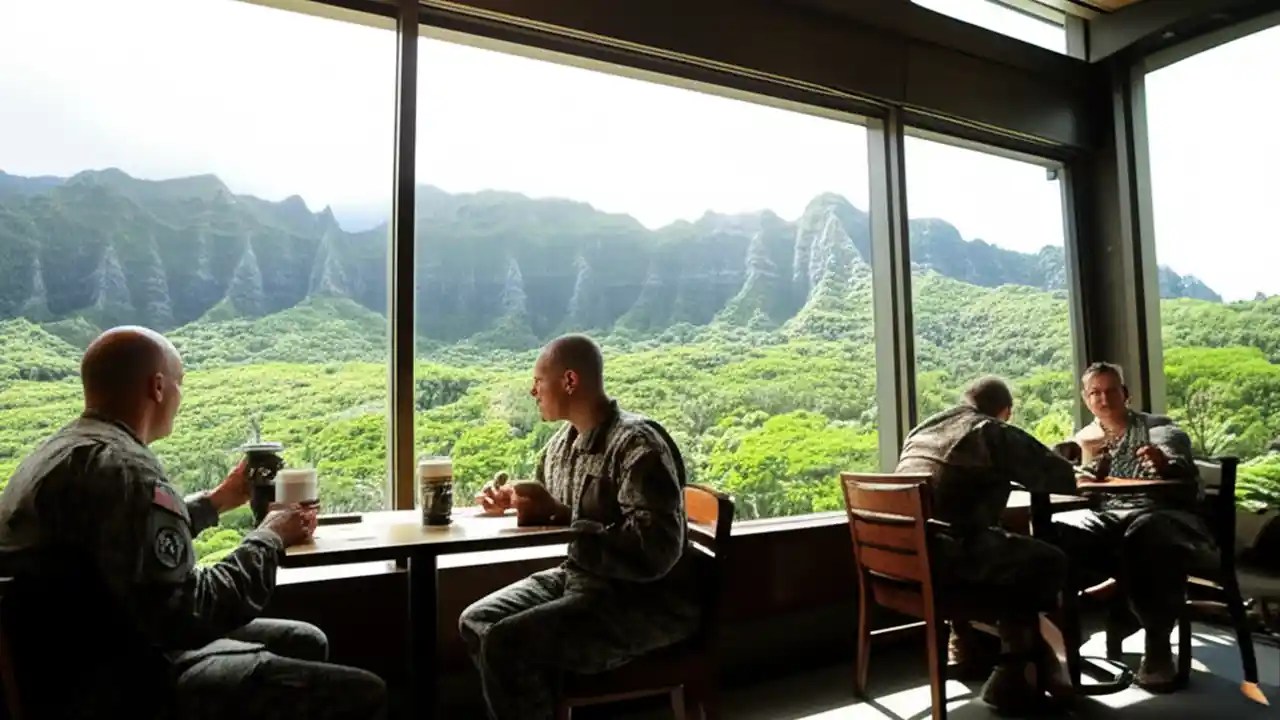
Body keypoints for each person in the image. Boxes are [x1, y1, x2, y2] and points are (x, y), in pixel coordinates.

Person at [0, 326, 386, 719]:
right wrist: (270, 537)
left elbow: (127, 537)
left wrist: (217, 501)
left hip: (74, 660)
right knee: (366, 693)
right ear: (158, 387)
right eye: (180, 384)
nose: (181, 398)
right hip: (130, 677)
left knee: (303, 640)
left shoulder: (62, 452)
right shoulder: (127, 468)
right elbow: (192, 610)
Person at [458, 334, 698, 720]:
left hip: (642, 599)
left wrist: (560, 515)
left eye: (539, 380)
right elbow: (553, 502)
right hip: (581, 579)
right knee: (477, 622)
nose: (532, 389)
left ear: (569, 381)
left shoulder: (638, 446)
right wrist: (512, 500)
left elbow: (657, 549)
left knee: (506, 644)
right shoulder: (560, 447)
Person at [895, 376, 1077, 713]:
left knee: (998, 546)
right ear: (1005, 411)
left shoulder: (922, 429)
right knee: (1046, 560)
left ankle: (965, 643)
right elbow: (1057, 476)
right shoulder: (989, 430)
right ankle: (1016, 666)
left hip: (901, 559)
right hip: (949, 562)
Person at [1052, 361, 1215, 691]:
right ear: (1086, 399)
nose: (1103, 398)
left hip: (1165, 518)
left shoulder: (1158, 429)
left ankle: (1157, 646)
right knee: (1056, 533)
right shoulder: (1090, 440)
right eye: (1095, 392)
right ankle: (1061, 641)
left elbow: (1179, 463)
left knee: (1146, 533)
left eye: (1111, 390)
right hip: (1113, 520)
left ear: (1125, 394)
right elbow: (1080, 482)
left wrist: (1164, 462)